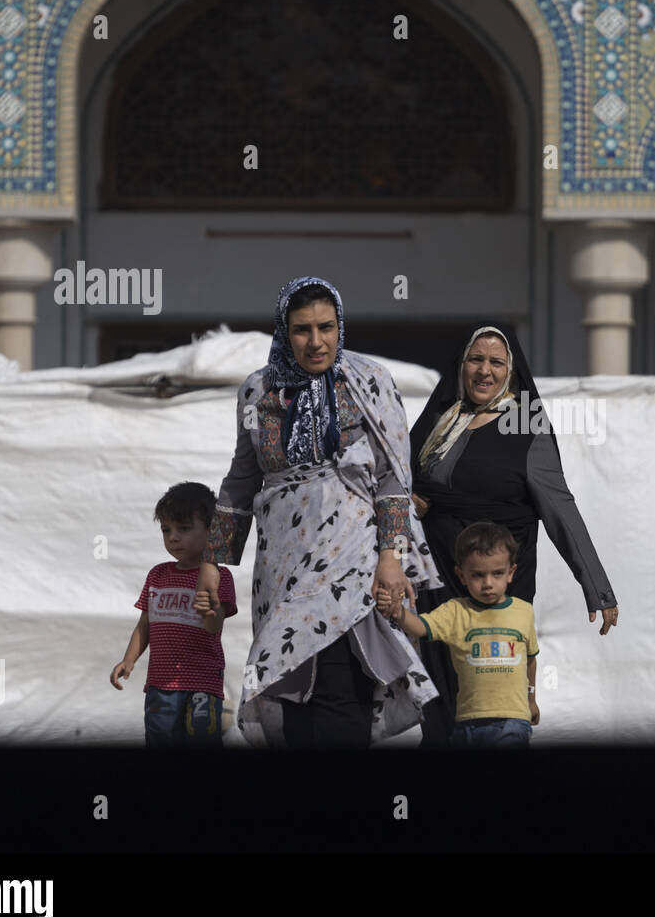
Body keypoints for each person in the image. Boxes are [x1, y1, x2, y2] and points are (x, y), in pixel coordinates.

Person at [193, 276, 441, 748]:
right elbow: (241, 481)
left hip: (355, 551)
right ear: (284, 331)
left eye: (326, 327)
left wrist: (391, 558)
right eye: (302, 329)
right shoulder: (257, 392)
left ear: (340, 325)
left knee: (342, 681)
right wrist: (211, 563)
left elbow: (393, 478)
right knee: (289, 686)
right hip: (283, 560)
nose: (315, 341)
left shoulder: (370, 381)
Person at [408, 322, 618, 746]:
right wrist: (407, 498)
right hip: (437, 587)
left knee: (492, 713)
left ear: (512, 371)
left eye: (496, 362)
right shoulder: (439, 420)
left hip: (497, 595)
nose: (485, 371)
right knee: (441, 714)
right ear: (461, 365)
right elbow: (397, 480)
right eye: (476, 359)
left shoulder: (525, 424)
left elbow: (560, 508)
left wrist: (596, 586)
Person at [375, 521, 539, 748]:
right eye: (478, 575)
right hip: (467, 722)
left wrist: (531, 699)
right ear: (461, 575)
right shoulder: (455, 611)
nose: (488, 583)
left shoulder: (524, 612)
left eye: (497, 573)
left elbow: (530, 660)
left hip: (512, 720)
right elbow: (420, 627)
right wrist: (397, 610)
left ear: (511, 572)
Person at [110, 482, 237, 747]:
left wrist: (212, 607)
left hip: (202, 682)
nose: (173, 538)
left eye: (184, 529)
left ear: (210, 530)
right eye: (166, 530)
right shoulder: (158, 574)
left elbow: (214, 627)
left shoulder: (219, 576)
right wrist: (129, 659)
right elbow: (145, 624)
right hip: (160, 683)